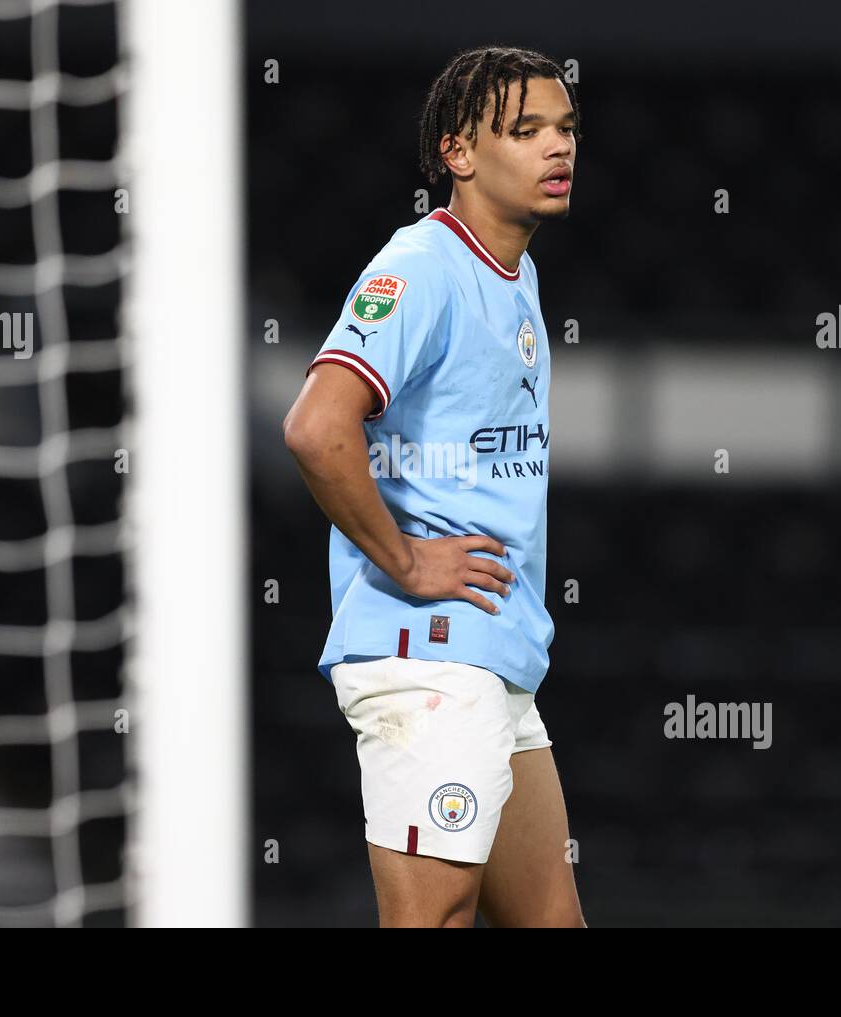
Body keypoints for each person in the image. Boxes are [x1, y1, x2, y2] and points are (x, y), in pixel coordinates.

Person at [283, 45, 586, 928]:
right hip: (430, 656)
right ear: (457, 153)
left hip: (495, 655)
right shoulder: (420, 267)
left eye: (565, 128)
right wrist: (408, 559)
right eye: (526, 130)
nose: (557, 148)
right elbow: (315, 425)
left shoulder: (516, 273)